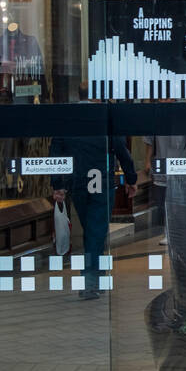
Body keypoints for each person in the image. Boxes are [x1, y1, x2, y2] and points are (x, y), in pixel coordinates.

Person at [49, 101, 137, 300]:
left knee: (91, 231)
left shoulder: (68, 120)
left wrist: (57, 184)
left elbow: (56, 150)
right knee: (96, 231)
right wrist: (131, 179)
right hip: (101, 182)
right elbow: (121, 149)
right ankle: (90, 281)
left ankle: (95, 278)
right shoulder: (104, 121)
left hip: (78, 181)